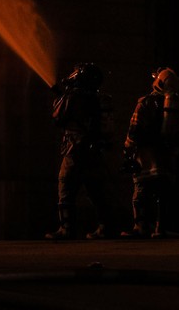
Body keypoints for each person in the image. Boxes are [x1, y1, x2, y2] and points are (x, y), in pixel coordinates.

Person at [45, 62, 116, 240]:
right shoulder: (99, 98)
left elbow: (57, 118)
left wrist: (61, 97)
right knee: (96, 190)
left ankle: (66, 229)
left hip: (74, 149)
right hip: (94, 151)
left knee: (66, 187)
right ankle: (105, 227)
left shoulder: (72, 96)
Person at [121, 67, 179, 238]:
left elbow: (134, 129)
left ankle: (140, 227)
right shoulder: (175, 103)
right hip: (166, 157)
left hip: (145, 157)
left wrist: (128, 149)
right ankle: (160, 228)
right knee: (162, 196)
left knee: (140, 192)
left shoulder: (145, 102)